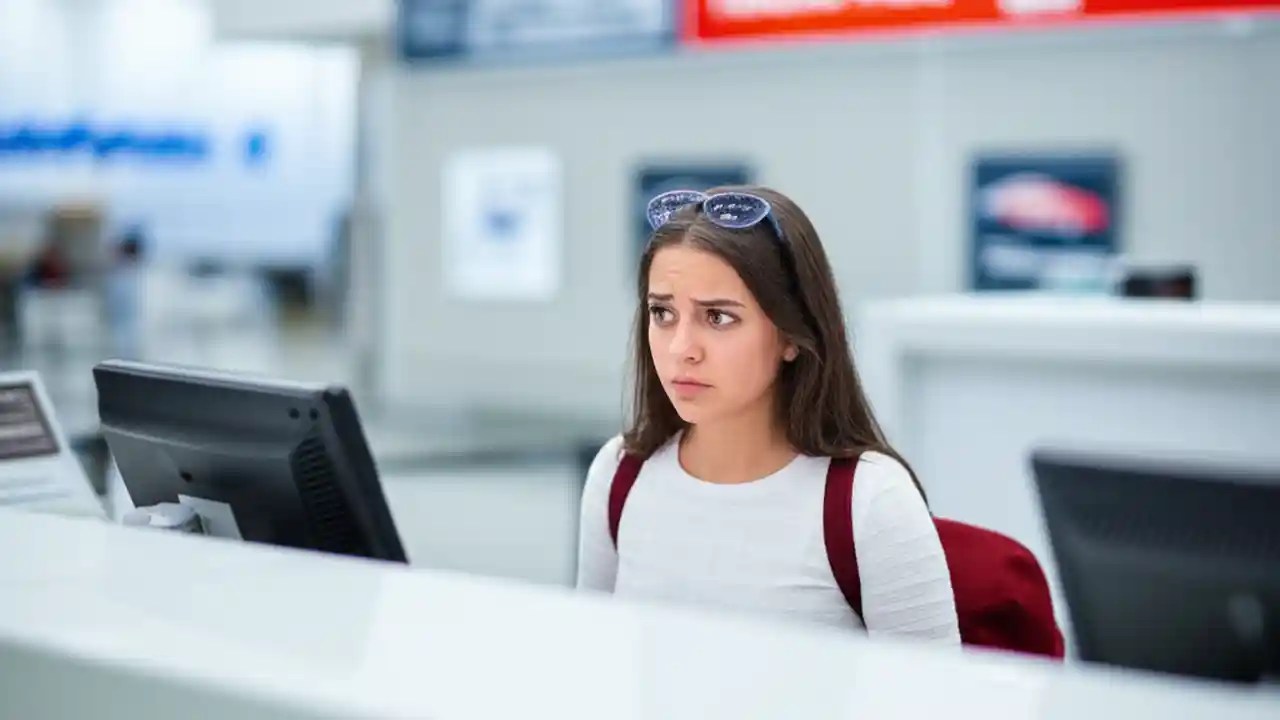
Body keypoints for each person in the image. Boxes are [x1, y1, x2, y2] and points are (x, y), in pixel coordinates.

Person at [577, 186, 959, 643]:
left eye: (718, 318)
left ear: (791, 335)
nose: (681, 349)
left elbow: (930, 686)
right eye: (662, 313)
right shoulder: (619, 473)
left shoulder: (871, 501)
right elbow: (596, 663)